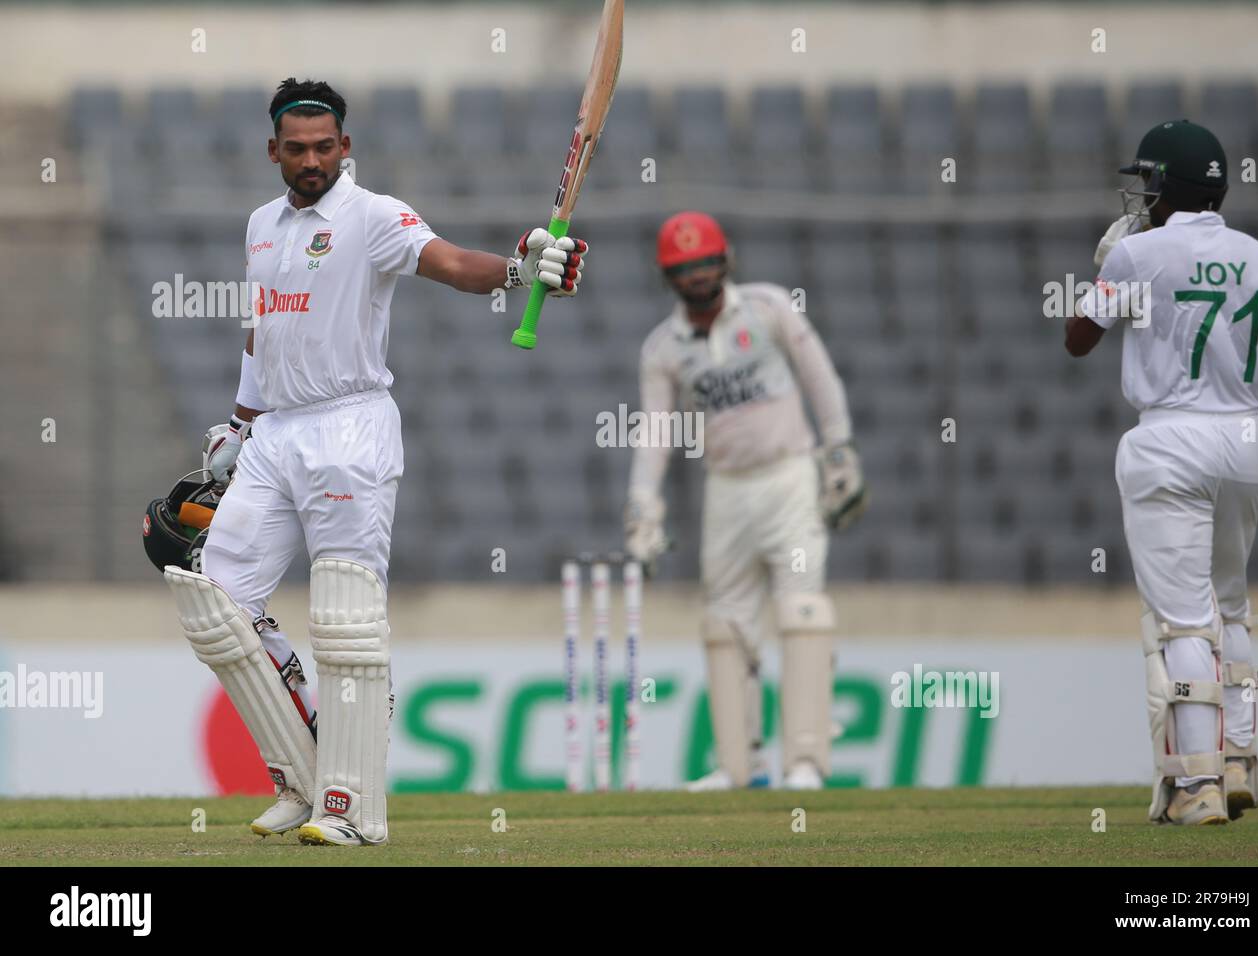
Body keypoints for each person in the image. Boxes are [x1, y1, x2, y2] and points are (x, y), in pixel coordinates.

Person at [165, 78, 589, 846]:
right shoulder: (261, 225)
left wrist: (523, 269)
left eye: (325, 146)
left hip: (349, 427)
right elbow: (259, 337)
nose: (312, 160)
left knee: (345, 621)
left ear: (345, 147)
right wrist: (238, 424)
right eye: (296, 149)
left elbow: (454, 263)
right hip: (275, 437)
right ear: (274, 152)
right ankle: (302, 771)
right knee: (217, 596)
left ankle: (353, 808)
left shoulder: (373, 215)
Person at [1068, 120, 1258, 825]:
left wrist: (1106, 266)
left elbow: (1078, 339)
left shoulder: (1139, 253)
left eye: (1149, 181)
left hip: (1169, 437)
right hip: (1240, 437)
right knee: (1232, 608)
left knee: (1182, 622)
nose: (1142, 194)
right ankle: (1241, 763)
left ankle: (1198, 783)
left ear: (1169, 183)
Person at [624, 211, 865, 791]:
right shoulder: (663, 348)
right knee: (726, 625)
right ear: (668, 276)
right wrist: (643, 509)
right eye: (685, 269)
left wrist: (839, 452)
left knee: (801, 612)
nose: (698, 276)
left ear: (726, 260)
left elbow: (820, 377)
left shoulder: (768, 307)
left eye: (706, 262)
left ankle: (805, 762)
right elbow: (656, 433)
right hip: (726, 491)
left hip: (790, 479)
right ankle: (740, 768)